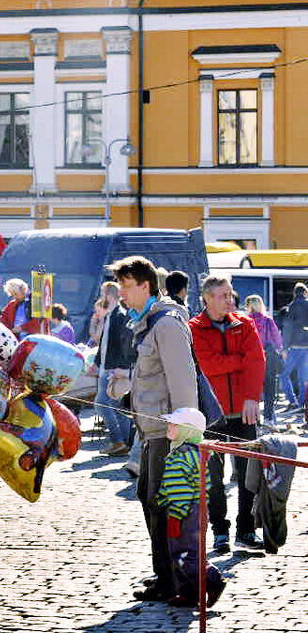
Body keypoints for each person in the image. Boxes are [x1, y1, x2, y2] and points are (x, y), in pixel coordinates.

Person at [110, 255, 197, 604]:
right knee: (149, 499)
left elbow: (183, 380)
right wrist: (128, 384)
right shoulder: (147, 322)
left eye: (126, 286)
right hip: (150, 429)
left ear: (145, 285)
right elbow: (154, 375)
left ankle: (172, 578)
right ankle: (164, 573)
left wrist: (184, 433)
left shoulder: (166, 323)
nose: (121, 293)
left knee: (161, 503)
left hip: (168, 431)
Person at [190, 274, 265, 553]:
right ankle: (220, 532)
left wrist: (252, 397)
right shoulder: (194, 328)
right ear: (207, 298)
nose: (230, 299)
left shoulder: (244, 323)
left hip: (245, 412)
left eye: (230, 294)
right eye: (224, 295)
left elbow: (257, 360)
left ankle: (246, 530)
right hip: (212, 415)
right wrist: (240, 361)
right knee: (214, 479)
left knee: (248, 476)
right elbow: (207, 365)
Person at [155, 407, 225, 607]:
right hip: (198, 509)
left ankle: (212, 579)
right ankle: (188, 592)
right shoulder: (197, 452)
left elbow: (180, 490)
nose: (169, 426)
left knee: (183, 554)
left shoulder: (179, 457)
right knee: (191, 552)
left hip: (184, 512)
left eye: (174, 424)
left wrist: (176, 515)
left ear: (188, 431)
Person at [94, 282, 136, 456]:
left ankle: (120, 440)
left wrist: (120, 369)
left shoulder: (119, 316)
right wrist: (97, 362)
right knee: (112, 405)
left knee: (105, 404)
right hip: (107, 367)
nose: (101, 297)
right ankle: (123, 441)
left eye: (102, 293)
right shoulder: (112, 315)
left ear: (108, 295)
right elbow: (104, 343)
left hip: (112, 369)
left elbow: (123, 345)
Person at [244, 295, 284, 426]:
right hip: (268, 359)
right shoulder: (268, 321)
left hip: (252, 360)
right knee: (269, 388)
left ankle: (254, 419)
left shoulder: (245, 321)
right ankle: (268, 417)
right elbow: (277, 340)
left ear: (249, 306)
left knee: (253, 390)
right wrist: (280, 351)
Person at [279, 283, 308, 411]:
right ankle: (301, 404)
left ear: (295, 293)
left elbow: (287, 329)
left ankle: (293, 401)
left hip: (294, 348)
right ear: (305, 293)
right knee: (303, 378)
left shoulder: (291, 307)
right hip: (307, 349)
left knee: (284, 375)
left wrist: (284, 348)